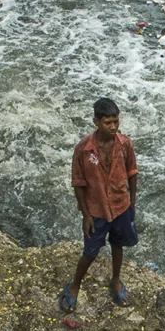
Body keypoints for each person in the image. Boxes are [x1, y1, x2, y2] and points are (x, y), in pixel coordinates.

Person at [60, 97, 138, 311]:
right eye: (107, 122)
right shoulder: (84, 149)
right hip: (96, 210)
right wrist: (86, 215)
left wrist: (132, 203)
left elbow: (132, 172)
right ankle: (75, 284)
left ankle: (116, 279)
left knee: (117, 244)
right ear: (96, 122)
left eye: (116, 121)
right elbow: (78, 183)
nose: (113, 127)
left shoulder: (124, 144)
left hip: (121, 205)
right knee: (90, 251)